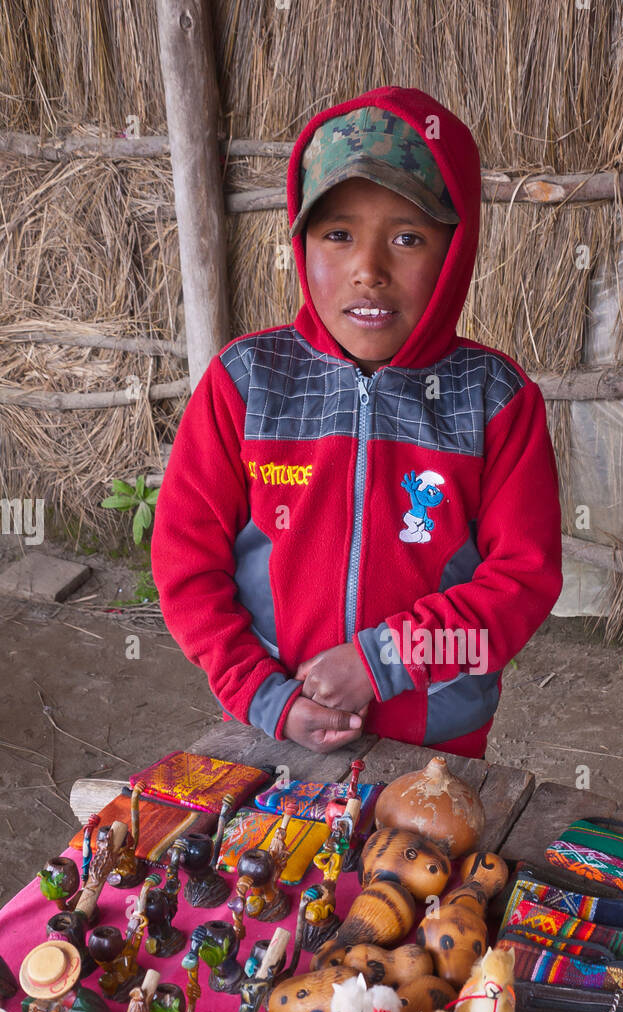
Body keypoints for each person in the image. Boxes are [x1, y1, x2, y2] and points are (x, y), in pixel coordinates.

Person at [152, 87, 563, 756]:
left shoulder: (495, 399)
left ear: (454, 250)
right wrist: (262, 694)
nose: (368, 270)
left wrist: (385, 660)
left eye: (407, 237)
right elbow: (186, 565)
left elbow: (520, 580)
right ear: (302, 240)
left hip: (435, 744)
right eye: (338, 235)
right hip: (277, 727)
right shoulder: (247, 383)